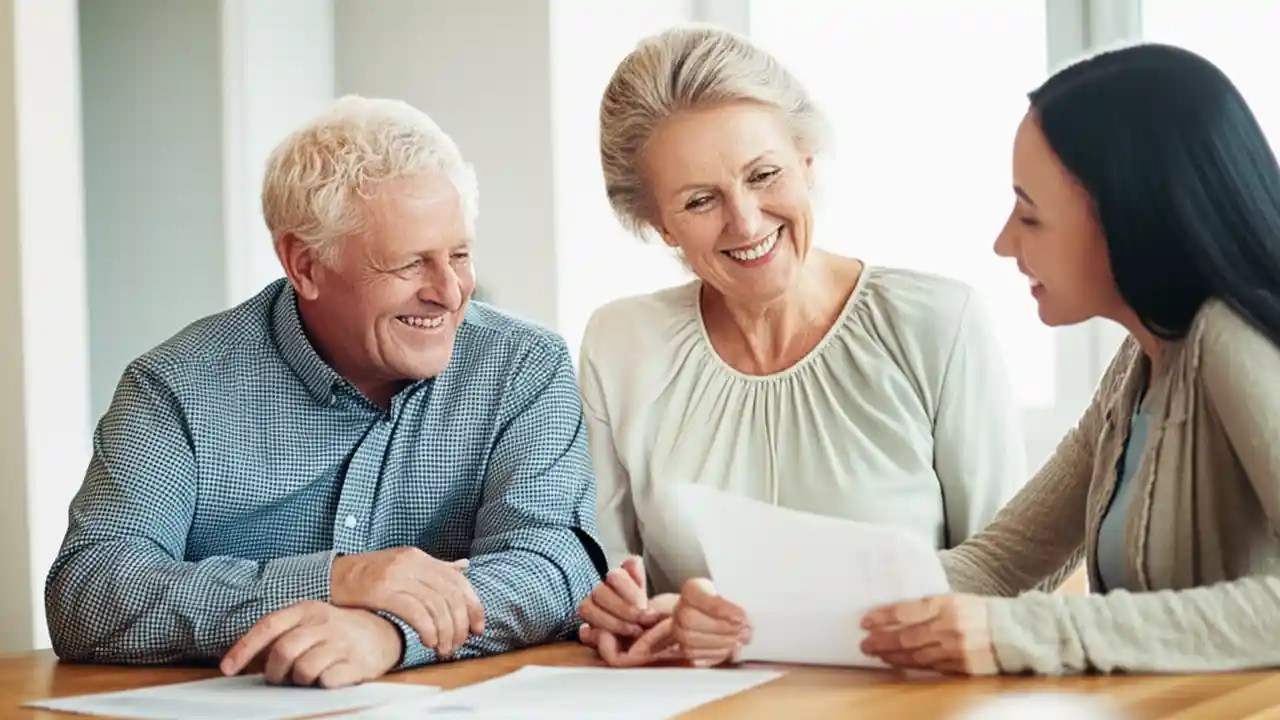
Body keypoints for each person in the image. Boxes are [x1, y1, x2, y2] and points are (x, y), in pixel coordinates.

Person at [684, 43, 1280, 675]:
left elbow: (1018, 618)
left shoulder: (1231, 341)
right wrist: (751, 616)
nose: (1003, 241)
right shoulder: (1137, 369)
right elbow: (996, 565)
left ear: (1131, 218)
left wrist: (1020, 633)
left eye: (1030, 214)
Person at [44, 95, 606, 687]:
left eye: (459, 255)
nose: (449, 291)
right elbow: (91, 586)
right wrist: (337, 581)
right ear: (304, 264)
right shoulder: (177, 386)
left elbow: (555, 565)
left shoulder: (522, 366)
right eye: (409, 264)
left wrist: (387, 632)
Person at [574, 25, 1028, 667]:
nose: (747, 222)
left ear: (808, 160)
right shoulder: (620, 345)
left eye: (764, 175)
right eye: (701, 200)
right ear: (657, 223)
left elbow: (1009, 579)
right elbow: (610, 581)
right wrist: (628, 618)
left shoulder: (937, 322)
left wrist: (759, 624)